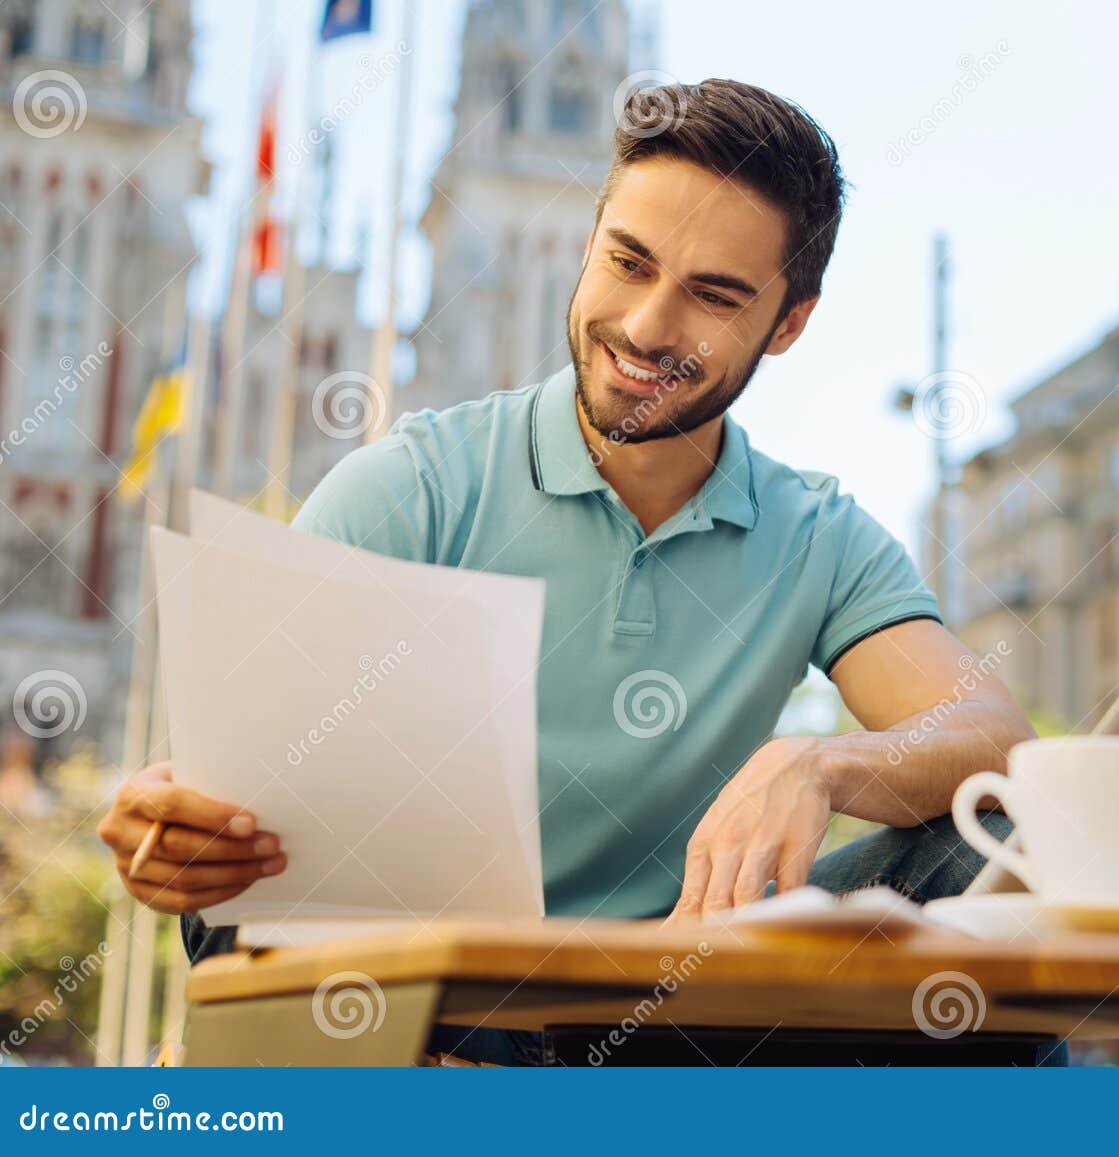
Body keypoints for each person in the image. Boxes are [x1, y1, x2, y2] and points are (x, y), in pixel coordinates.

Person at [98, 78, 1040, 1065]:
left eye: (713, 296)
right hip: (430, 1006)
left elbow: (994, 738)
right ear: (590, 238)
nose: (645, 325)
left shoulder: (815, 530)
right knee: (239, 908)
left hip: (672, 1014)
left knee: (994, 841)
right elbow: (232, 801)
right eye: (626, 261)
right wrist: (178, 831)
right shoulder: (413, 486)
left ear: (789, 323)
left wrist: (823, 761)